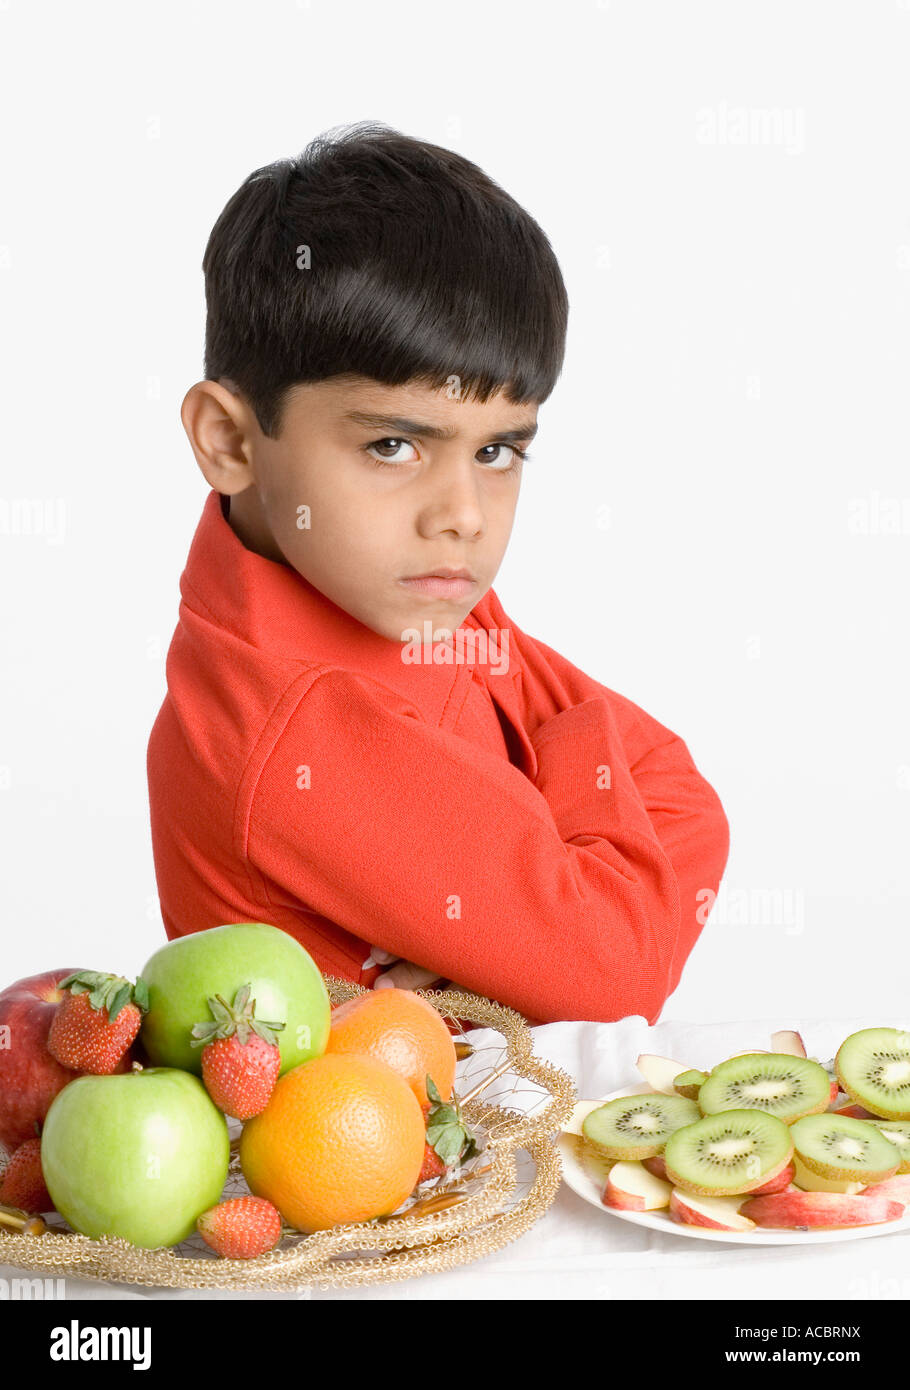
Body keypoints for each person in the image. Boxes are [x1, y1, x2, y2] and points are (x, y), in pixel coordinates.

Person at [146, 122, 730, 1025]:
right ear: (230, 440)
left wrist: (570, 882)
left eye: (498, 449)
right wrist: (581, 810)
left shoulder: (402, 583)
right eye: (392, 444)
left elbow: (687, 796)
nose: (462, 512)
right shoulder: (298, 724)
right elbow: (618, 972)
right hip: (375, 1166)